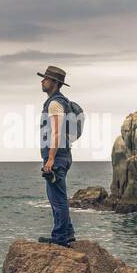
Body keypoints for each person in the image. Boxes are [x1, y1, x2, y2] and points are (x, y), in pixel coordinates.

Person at [37, 65, 76, 247]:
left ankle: (60, 238)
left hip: (57, 157)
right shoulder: (63, 102)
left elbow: (57, 132)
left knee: (57, 199)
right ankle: (67, 233)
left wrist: (51, 158)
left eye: (46, 79)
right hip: (64, 155)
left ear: (55, 83)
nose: (42, 81)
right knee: (59, 196)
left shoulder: (54, 103)